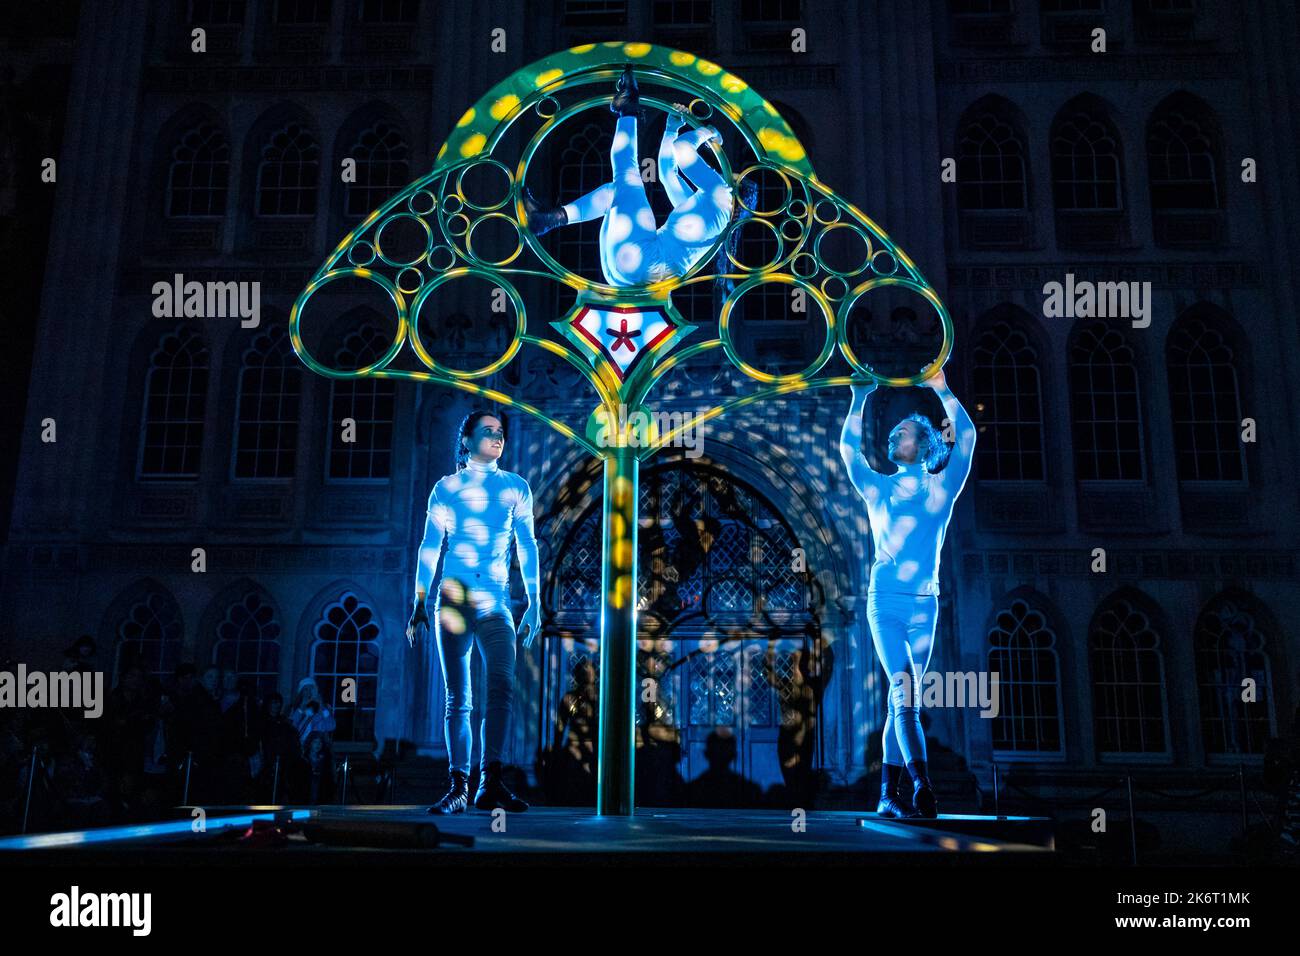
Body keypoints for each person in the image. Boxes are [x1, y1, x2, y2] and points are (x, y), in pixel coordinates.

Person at [839, 365, 976, 819]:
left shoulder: (941, 489)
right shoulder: (879, 489)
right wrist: (859, 399)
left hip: (925, 607)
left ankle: (887, 796)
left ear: (923, 443)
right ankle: (922, 785)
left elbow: (967, 437)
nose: (893, 434)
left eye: (904, 431)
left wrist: (942, 390)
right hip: (885, 604)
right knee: (905, 696)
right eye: (892, 431)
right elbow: (848, 450)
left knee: (900, 704)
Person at [407, 410, 541, 814]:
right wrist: (418, 600)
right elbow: (430, 545)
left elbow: (527, 544)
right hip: (454, 598)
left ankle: (491, 782)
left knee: (501, 688)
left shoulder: (516, 487)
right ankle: (458, 785)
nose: (498, 437)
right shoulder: (446, 488)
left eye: (501, 432)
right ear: (466, 440)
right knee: (458, 696)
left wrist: (535, 601)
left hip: (496, 601)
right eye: (487, 431)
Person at [523, 65, 736, 287]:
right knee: (613, 192)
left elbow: (682, 148)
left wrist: (710, 133)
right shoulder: (707, 212)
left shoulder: (721, 192)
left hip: (644, 259)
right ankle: (549, 219)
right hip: (623, 274)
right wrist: (671, 129)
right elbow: (667, 173)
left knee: (627, 178)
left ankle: (628, 108)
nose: (726, 173)